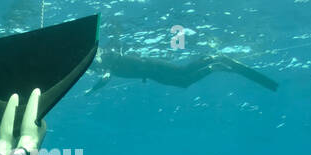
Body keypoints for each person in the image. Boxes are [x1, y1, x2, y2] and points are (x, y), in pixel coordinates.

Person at [90, 47, 278, 92]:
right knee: (184, 82)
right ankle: (214, 66)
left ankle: (213, 59)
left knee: (183, 72)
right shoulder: (108, 64)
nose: (96, 70)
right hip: (153, 74)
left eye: (94, 67)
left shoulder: (107, 62)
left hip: (154, 67)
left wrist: (93, 90)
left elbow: (105, 77)